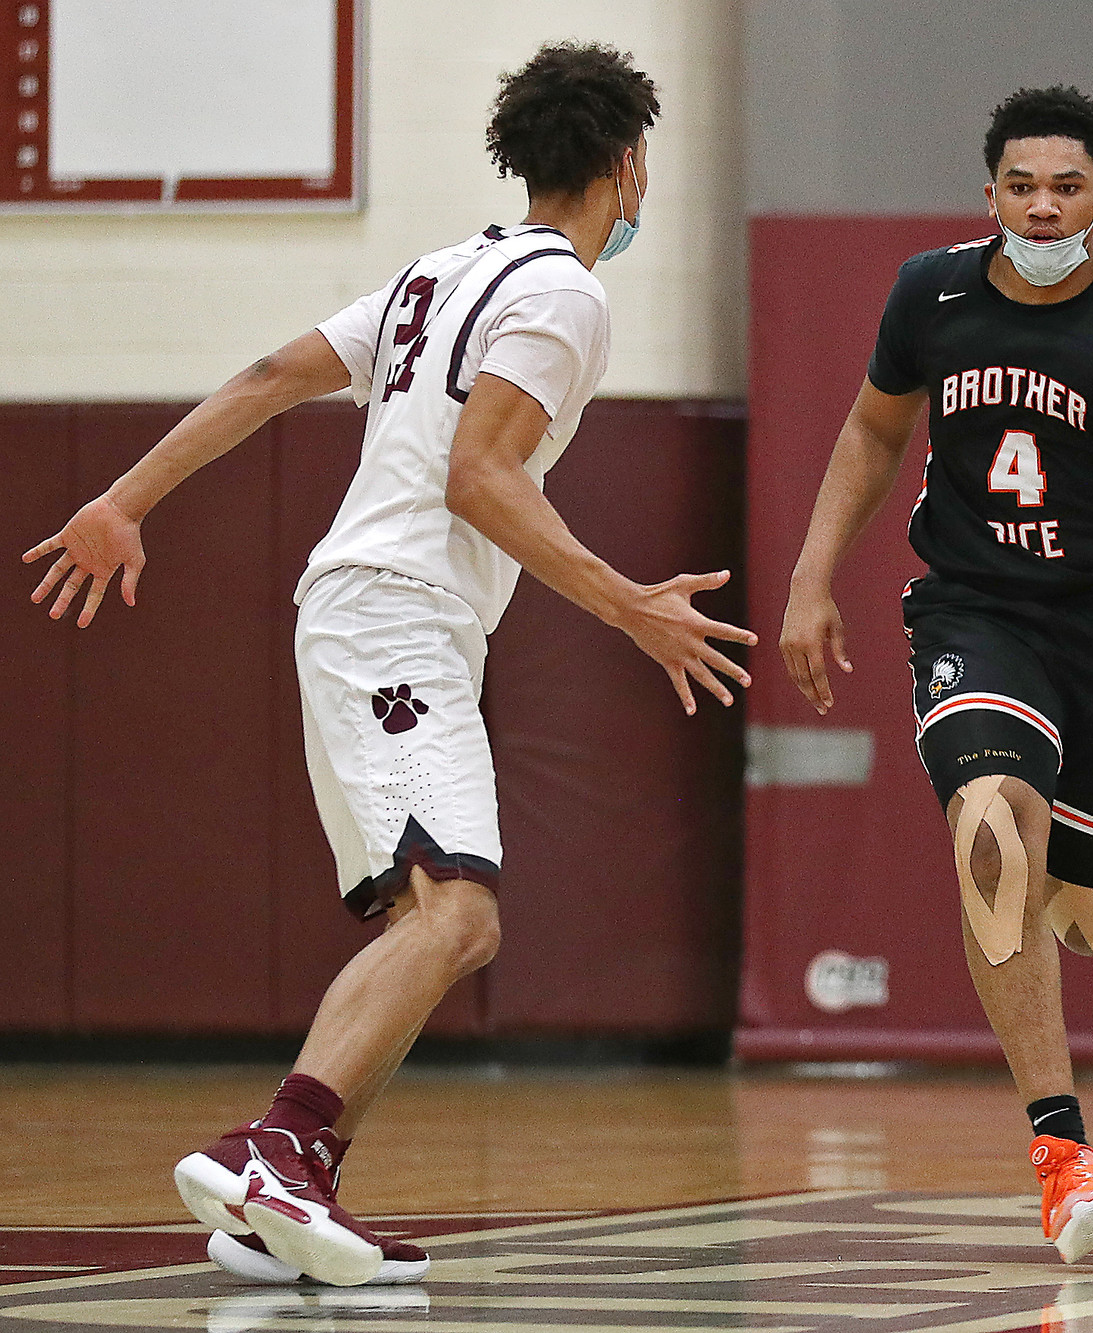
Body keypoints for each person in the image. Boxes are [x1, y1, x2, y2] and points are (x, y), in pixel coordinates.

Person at [22, 42, 754, 1286]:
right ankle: (277, 1148)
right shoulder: (566, 295)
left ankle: (289, 1196)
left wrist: (124, 497)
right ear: (630, 164)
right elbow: (480, 476)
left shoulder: (438, 272)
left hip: (371, 615)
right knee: (462, 913)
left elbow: (269, 377)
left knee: (433, 914)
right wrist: (628, 604)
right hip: (398, 619)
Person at [779, 85, 1093, 1263]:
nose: (1043, 207)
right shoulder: (932, 293)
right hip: (974, 613)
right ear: (989, 196)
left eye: (1066, 188)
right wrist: (812, 573)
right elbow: (872, 432)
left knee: (1083, 915)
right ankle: (1062, 1153)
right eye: (1021, 186)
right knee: (991, 828)